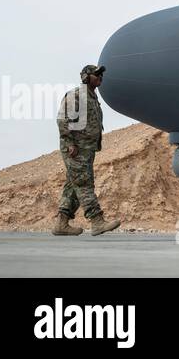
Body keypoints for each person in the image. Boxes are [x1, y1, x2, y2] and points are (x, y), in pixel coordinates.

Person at [53, 64, 120, 236]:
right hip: (76, 150)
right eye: (96, 74)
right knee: (83, 183)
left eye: (101, 75)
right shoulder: (77, 95)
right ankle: (97, 221)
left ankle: (61, 224)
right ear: (85, 77)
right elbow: (63, 120)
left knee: (72, 186)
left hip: (86, 150)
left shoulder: (91, 98)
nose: (100, 77)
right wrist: (69, 143)